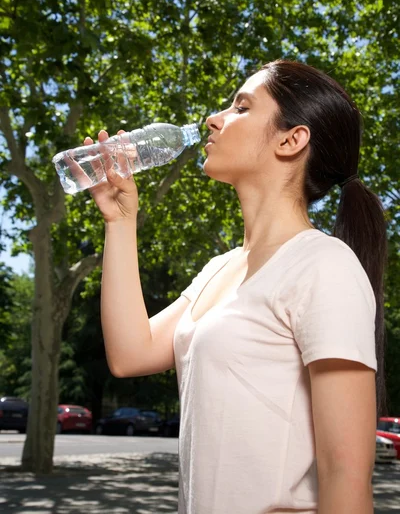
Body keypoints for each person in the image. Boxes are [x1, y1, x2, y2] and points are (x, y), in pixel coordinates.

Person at [85, 60, 387, 514]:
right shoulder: (220, 269)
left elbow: (346, 476)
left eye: (241, 107)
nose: (214, 118)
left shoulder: (325, 266)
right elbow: (130, 353)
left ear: (292, 139)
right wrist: (120, 220)